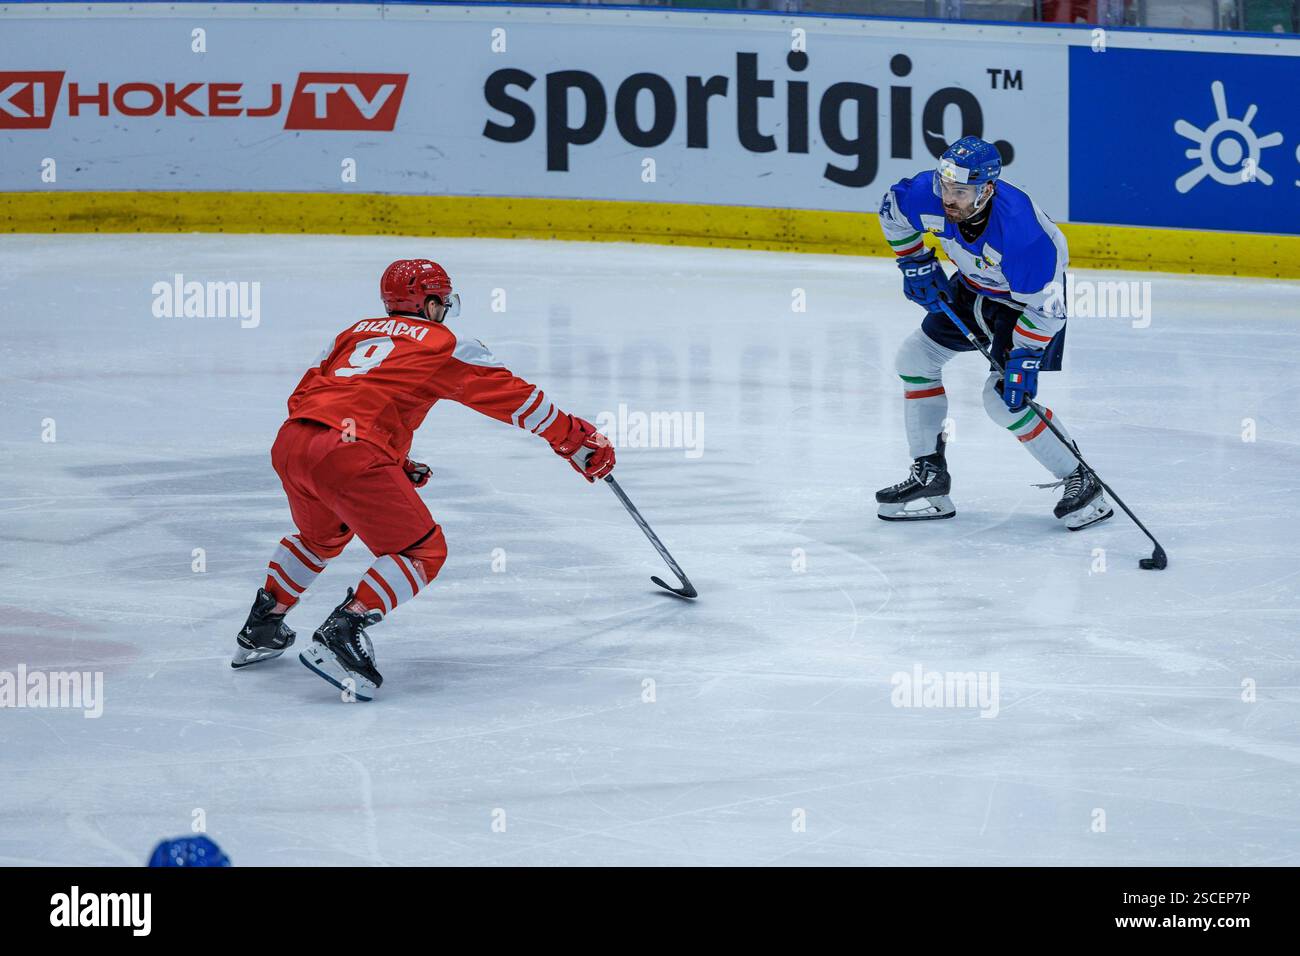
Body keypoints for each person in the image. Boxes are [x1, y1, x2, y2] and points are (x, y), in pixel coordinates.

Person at [231, 259, 615, 700]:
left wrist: (390, 453)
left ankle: (262, 626)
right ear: (430, 302)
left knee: (318, 537)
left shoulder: (353, 333)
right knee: (421, 550)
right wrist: (575, 439)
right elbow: (514, 399)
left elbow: (305, 396)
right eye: (443, 300)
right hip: (349, 452)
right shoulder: (445, 343)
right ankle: (343, 630)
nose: (446, 308)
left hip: (294, 441)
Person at [875, 135, 1111, 529]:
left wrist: (1024, 356)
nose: (948, 198)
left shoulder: (1025, 236)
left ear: (986, 190)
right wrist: (913, 261)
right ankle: (931, 480)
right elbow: (891, 211)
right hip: (973, 288)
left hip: (1028, 307)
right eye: (944, 185)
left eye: (960, 191)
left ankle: (1080, 478)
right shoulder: (927, 195)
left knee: (1003, 400)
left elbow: (1048, 309)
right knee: (915, 360)